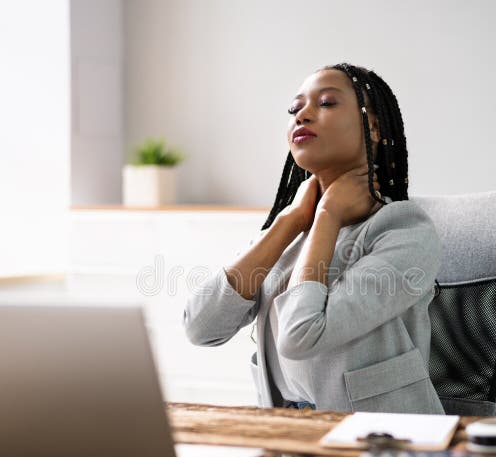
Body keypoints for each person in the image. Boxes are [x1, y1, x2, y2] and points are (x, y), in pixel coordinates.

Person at [183, 63, 444, 414]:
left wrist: (327, 216)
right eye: (294, 108)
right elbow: (201, 327)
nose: (302, 114)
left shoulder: (405, 232)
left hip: (379, 446)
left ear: (374, 127)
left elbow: (301, 334)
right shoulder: (289, 235)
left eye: (326, 103)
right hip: (287, 447)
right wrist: (287, 223)